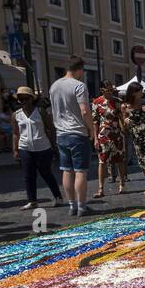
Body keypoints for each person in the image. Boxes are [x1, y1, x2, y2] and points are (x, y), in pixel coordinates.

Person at [49, 58, 96, 215]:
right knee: (81, 171)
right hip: (77, 132)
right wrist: (92, 129)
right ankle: (82, 207)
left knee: (66, 170)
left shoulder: (54, 86)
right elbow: (84, 110)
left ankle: (72, 205)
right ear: (79, 69)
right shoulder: (79, 86)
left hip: (61, 133)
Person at [11, 86, 63, 210]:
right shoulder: (15, 115)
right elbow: (15, 133)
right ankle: (32, 201)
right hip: (25, 147)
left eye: (26, 99)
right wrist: (15, 149)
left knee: (46, 173)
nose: (23, 101)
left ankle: (58, 196)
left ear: (31, 99)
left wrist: (53, 145)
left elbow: (50, 128)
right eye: (21, 99)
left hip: (43, 147)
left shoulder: (40, 112)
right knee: (28, 175)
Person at [121, 81, 145, 197]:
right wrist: (125, 122)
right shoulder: (125, 106)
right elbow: (124, 125)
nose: (142, 93)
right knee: (142, 162)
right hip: (136, 137)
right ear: (134, 92)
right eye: (140, 91)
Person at [91, 85, 127, 198]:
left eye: (112, 90)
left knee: (120, 160)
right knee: (102, 161)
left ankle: (122, 184)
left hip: (117, 134)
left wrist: (124, 126)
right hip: (103, 135)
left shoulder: (117, 101)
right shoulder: (97, 102)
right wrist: (95, 138)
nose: (110, 92)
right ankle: (101, 189)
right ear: (102, 90)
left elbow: (122, 118)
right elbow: (95, 121)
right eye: (108, 90)